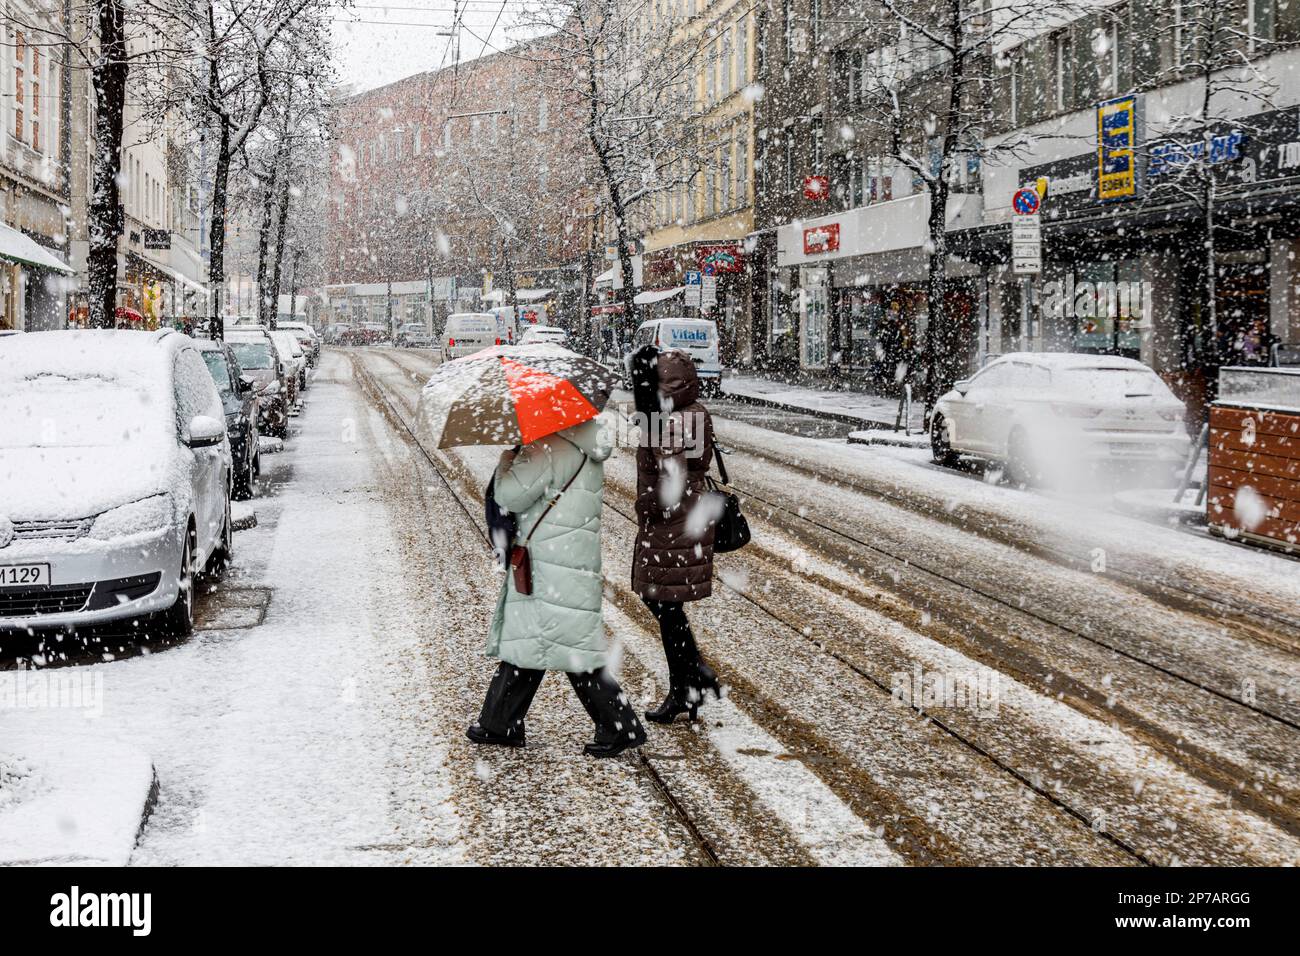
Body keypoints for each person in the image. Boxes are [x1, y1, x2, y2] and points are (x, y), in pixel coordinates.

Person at [467, 412, 646, 758]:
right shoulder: (584, 441)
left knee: (563, 644)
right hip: (570, 554)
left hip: (549, 559)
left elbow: (509, 495)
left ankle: (618, 724)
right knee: (542, 639)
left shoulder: (547, 445)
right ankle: (499, 722)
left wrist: (508, 458)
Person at [629, 345, 723, 724]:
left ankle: (687, 685)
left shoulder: (672, 421)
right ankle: (691, 679)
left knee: (663, 603)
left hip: (673, 522)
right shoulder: (692, 413)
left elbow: (673, 477)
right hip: (685, 519)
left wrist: (646, 505)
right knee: (664, 603)